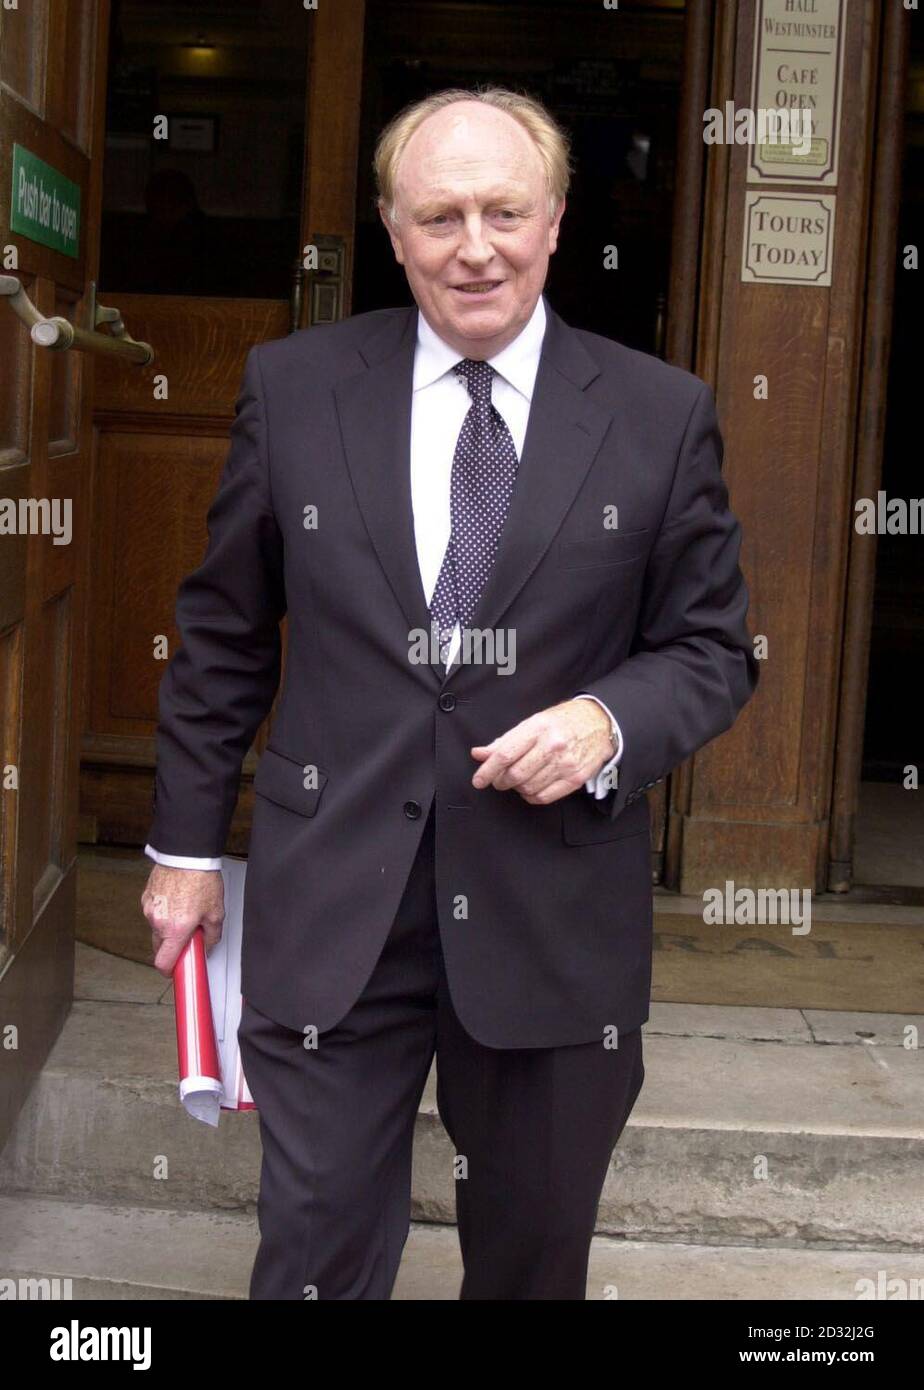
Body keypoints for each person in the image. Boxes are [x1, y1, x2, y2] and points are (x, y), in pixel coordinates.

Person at [141, 86, 759, 1301]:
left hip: (551, 917)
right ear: (391, 227)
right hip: (335, 904)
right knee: (314, 1249)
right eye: (439, 216)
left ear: (557, 221)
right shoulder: (294, 386)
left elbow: (713, 648)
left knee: (530, 1263)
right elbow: (222, 632)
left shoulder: (657, 414)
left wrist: (606, 720)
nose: (474, 245)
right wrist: (184, 850)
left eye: (503, 211)